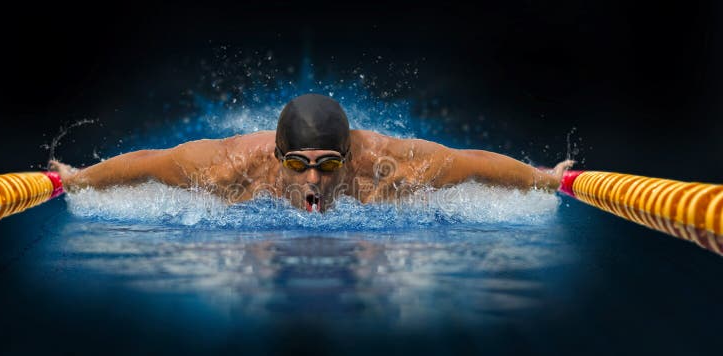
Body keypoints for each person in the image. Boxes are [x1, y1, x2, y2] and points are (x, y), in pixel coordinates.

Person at [50, 94, 574, 212]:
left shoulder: (387, 167)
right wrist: (76, 179)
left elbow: (472, 163)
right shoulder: (231, 167)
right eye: (298, 165)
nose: (314, 182)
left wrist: (548, 179)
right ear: (278, 156)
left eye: (329, 165)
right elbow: (149, 163)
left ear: (349, 156)